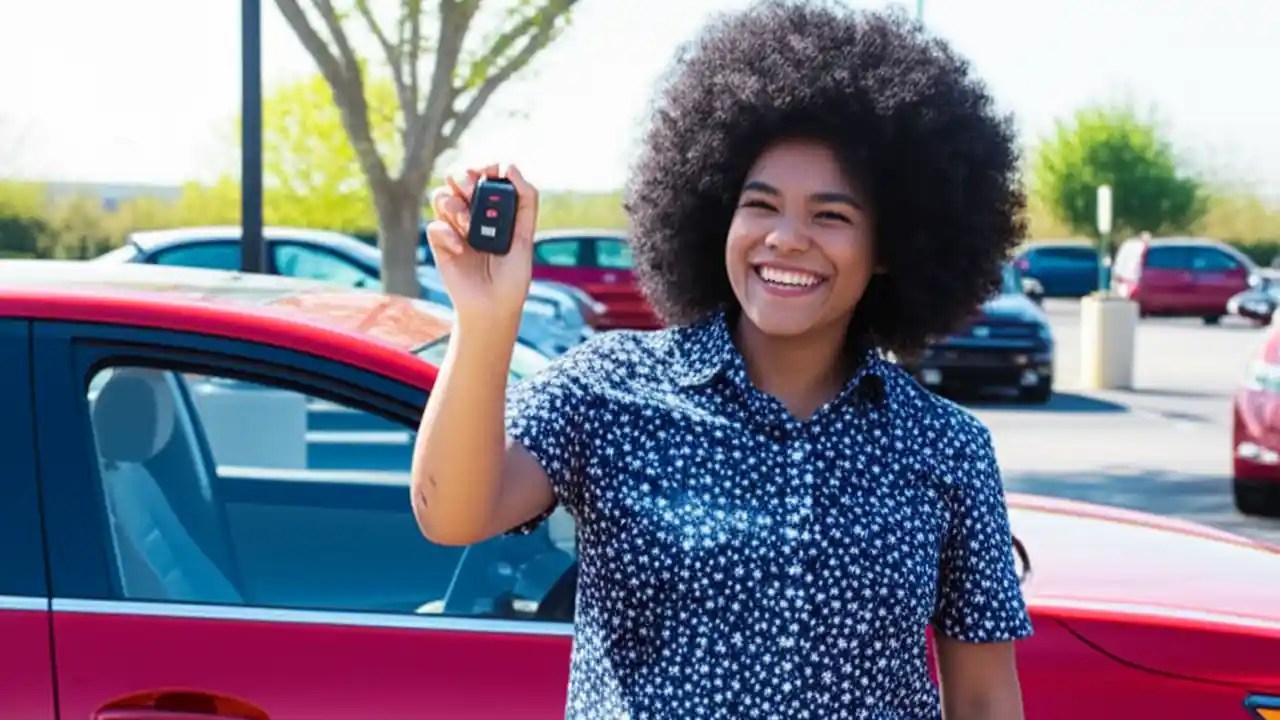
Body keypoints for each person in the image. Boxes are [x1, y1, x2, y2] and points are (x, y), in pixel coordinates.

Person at [411, 1, 1033, 718]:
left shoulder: (946, 447)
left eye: (830, 215)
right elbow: (451, 514)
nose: (786, 238)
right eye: (760, 205)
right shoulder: (609, 389)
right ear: (716, 215)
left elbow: (984, 698)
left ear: (890, 249)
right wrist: (486, 319)